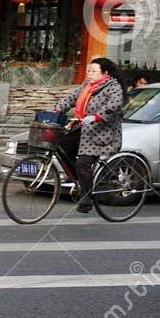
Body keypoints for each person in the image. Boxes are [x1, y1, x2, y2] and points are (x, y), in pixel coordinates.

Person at [55, 57, 124, 214]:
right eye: (89, 70)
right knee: (60, 143)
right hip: (85, 129)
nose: (89, 73)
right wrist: (57, 110)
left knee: (83, 163)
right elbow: (71, 98)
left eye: (93, 71)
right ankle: (79, 179)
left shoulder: (113, 87)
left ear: (105, 73)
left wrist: (96, 116)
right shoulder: (88, 85)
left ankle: (87, 198)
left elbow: (114, 104)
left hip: (102, 133)